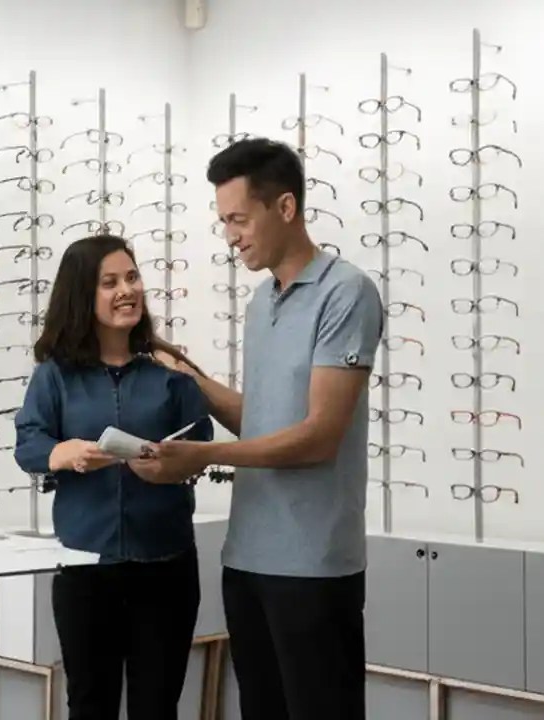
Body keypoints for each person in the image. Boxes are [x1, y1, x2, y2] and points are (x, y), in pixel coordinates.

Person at [148, 138, 384, 720]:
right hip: (247, 557)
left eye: (238, 218)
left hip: (312, 564)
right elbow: (264, 418)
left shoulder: (345, 293)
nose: (230, 235)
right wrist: (191, 378)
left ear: (284, 208)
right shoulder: (261, 303)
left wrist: (203, 456)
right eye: (223, 221)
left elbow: (320, 435)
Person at [13, 234, 214, 720]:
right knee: (90, 704)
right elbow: (29, 446)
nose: (127, 290)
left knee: (157, 705)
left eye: (131, 277)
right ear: (83, 294)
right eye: (109, 282)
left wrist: (173, 462)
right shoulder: (55, 376)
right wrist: (64, 453)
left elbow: (203, 444)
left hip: (165, 567)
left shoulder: (169, 373)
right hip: (86, 569)